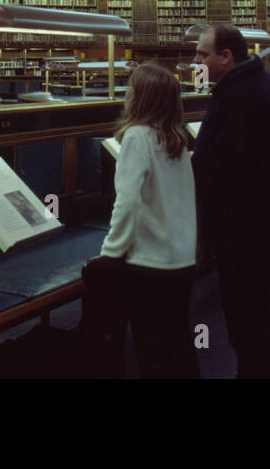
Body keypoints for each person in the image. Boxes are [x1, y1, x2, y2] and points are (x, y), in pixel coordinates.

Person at [191, 24, 270, 378]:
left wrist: (197, 162)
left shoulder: (242, 95)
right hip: (255, 224)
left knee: (247, 318)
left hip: (245, 228)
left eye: (202, 54)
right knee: (254, 319)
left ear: (226, 56)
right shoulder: (259, 85)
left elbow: (235, 162)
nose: (196, 60)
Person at [99, 62, 199, 379]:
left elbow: (126, 202)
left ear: (143, 97)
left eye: (131, 87)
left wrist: (111, 252)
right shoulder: (177, 139)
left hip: (149, 263)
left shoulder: (136, 137)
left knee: (151, 350)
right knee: (178, 343)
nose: (126, 92)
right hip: (180, 259)